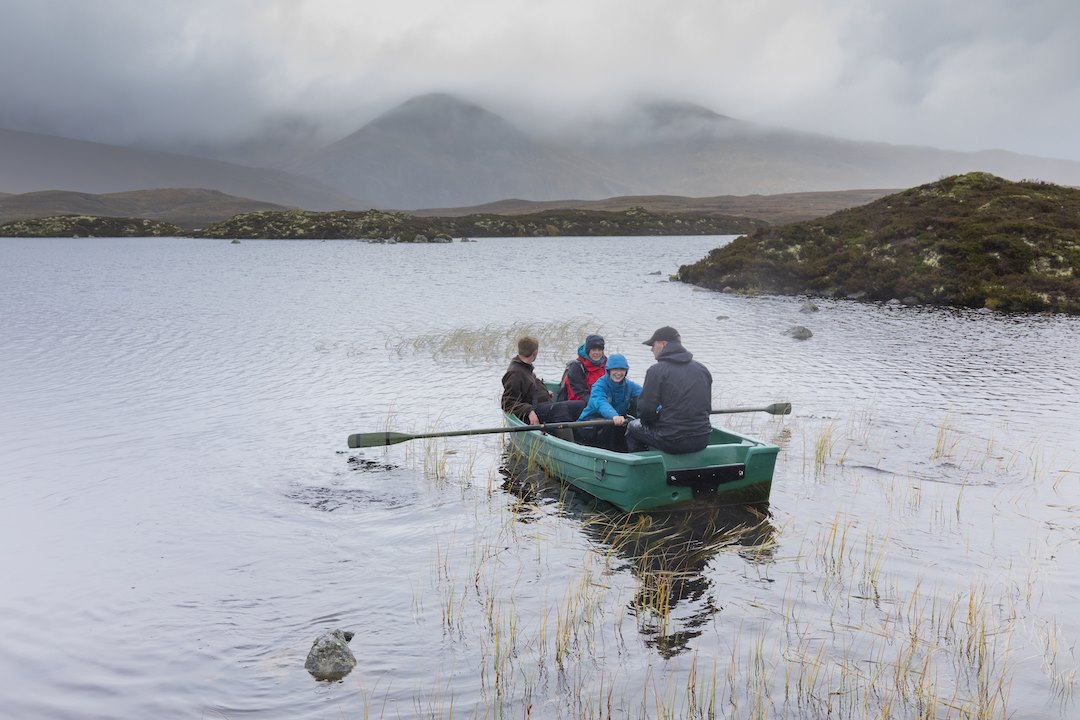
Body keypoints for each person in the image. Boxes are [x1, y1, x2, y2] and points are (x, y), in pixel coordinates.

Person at [625, 326, 713, 454]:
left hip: (673, 441)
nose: (651, 349)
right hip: (702, 439)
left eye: (652, 345)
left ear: (663, 344)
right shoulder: (702, 369)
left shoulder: (656, 371)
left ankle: (642, 467)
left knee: (632, 428)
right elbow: (706, 407)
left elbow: (645, 412)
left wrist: (654, 421)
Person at [501, 335, 586, 427]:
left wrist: (545, 392)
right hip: (532, 411)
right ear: (535, 353)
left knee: (580, 405)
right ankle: (563, 438)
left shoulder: (525, 367)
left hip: (541, 405)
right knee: (562, 409)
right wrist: (529, 411)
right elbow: (507, 402)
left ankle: (584, 435)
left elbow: (530, 387)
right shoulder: (515, 373)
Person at [576, 353, 643, 451]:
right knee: (611, 427)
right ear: (609, 370)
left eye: (622, 370)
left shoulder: (630, 386)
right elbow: (601, 403)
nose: (618, 373)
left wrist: (661, 409)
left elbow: (647, 395)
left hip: (615, 423)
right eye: (615, 369)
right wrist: (614, 415)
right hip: (589, 426)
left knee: (632, 426)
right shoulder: (599, 386)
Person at [556, 334, 607, 403]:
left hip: (601, 401)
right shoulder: (577, 366)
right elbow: (579, 394)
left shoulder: (607, 365)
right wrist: (599, 405)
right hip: (580, 404)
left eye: (599, 350)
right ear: (588, 350)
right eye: (594, 350)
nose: (597, 353)